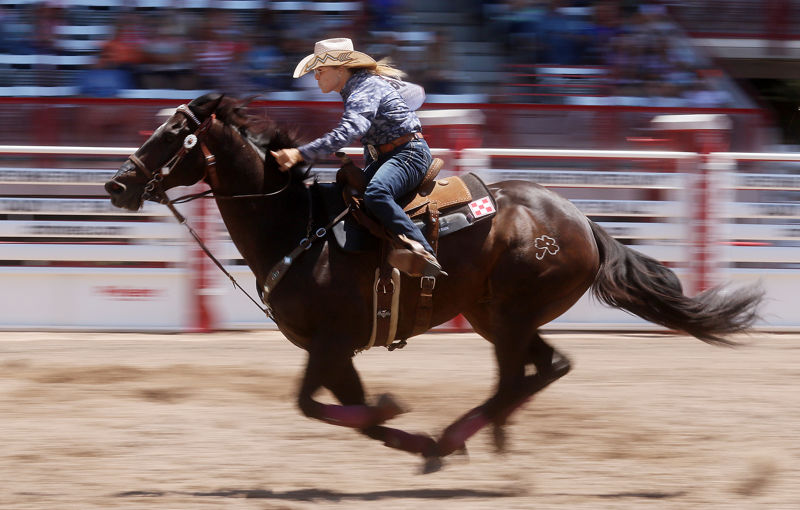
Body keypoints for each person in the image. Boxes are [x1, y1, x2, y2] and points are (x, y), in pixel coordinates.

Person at [271, 37, 443, 277]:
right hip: (393, 155)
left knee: (376, 193)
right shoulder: (360, 87)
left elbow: (349, 132)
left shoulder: (364, 88)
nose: (316, 77)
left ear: (340, 70)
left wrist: (300, 153)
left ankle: (424, 253)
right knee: (347, 191)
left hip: (408, 154)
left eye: (320, 70)